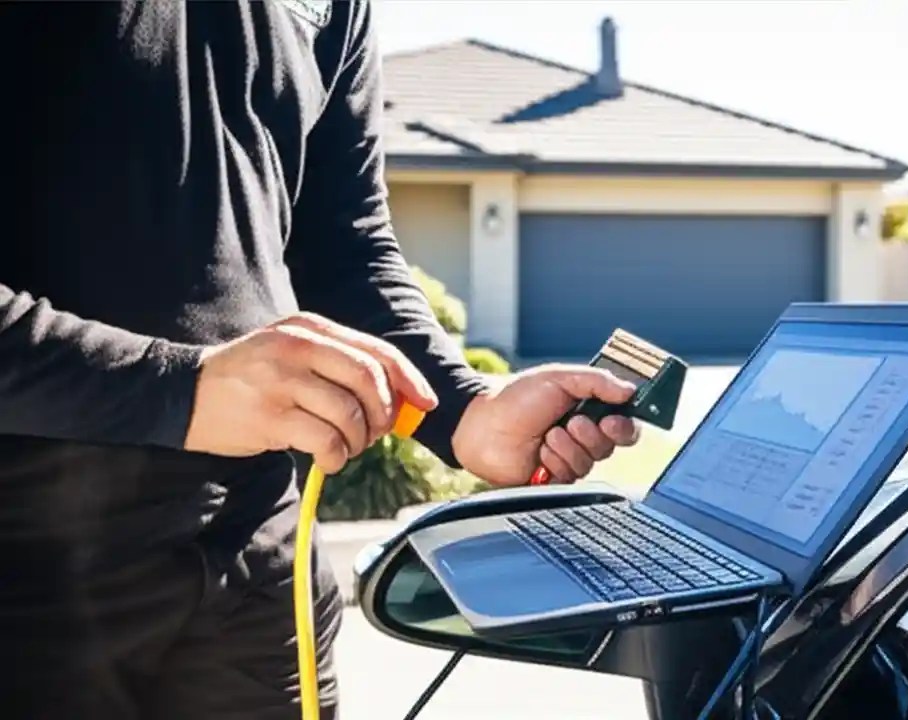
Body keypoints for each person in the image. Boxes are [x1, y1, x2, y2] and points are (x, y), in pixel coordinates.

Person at [0, 1, 639, 717]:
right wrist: (182, 391)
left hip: (257, 569)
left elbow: (346, 244)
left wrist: (462, 411)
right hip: (28, 578)